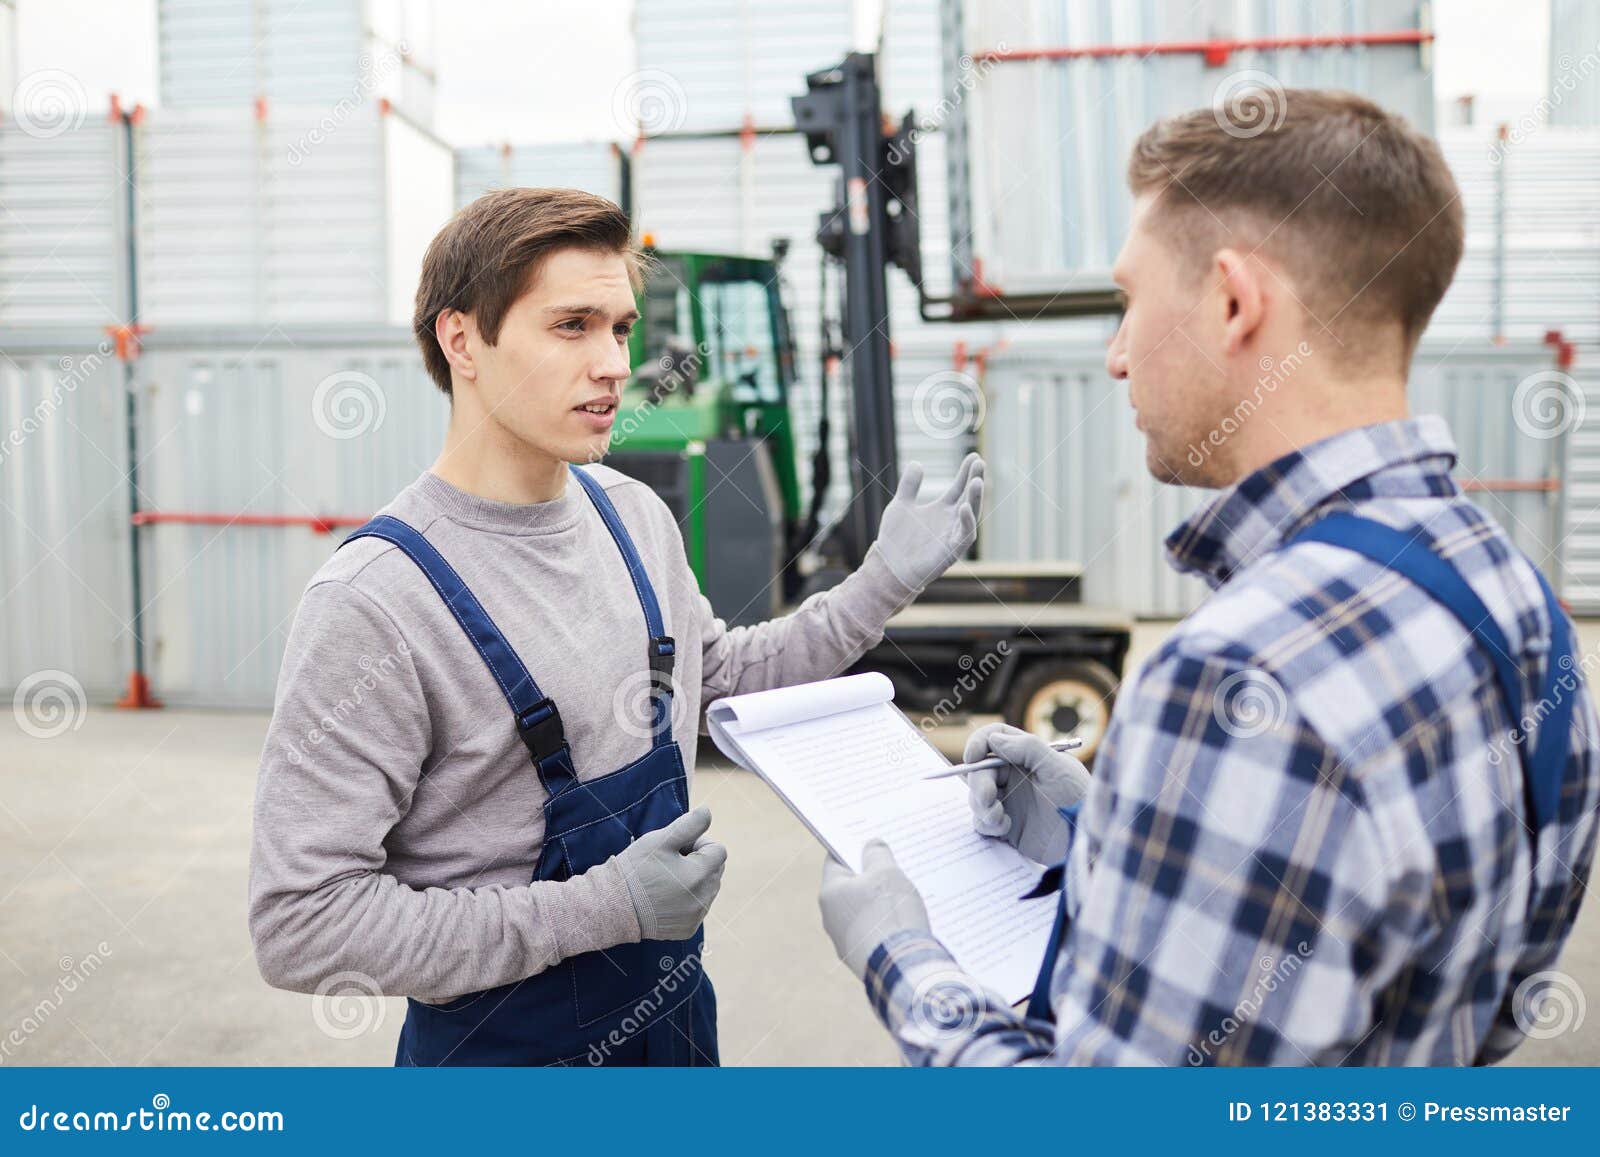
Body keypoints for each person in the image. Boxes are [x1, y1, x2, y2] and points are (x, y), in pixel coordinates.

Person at [818, 89, 1600, 1065]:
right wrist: (1103, 832)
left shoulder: (1234, 674)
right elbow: (1490, 1010)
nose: (1113, 354)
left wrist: (903, 955)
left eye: (1127, 299)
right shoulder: (1514, 599)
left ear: (1233, 301)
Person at [247, 187, 985, 1066]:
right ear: (461, 340)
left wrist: (880, 585)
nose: (613, 363)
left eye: (622, 329)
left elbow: (725, 683)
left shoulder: (632, 516)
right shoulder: (376, 602)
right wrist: (603, 909)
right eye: (573, 326)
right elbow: (302, 923)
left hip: (674, 1035)